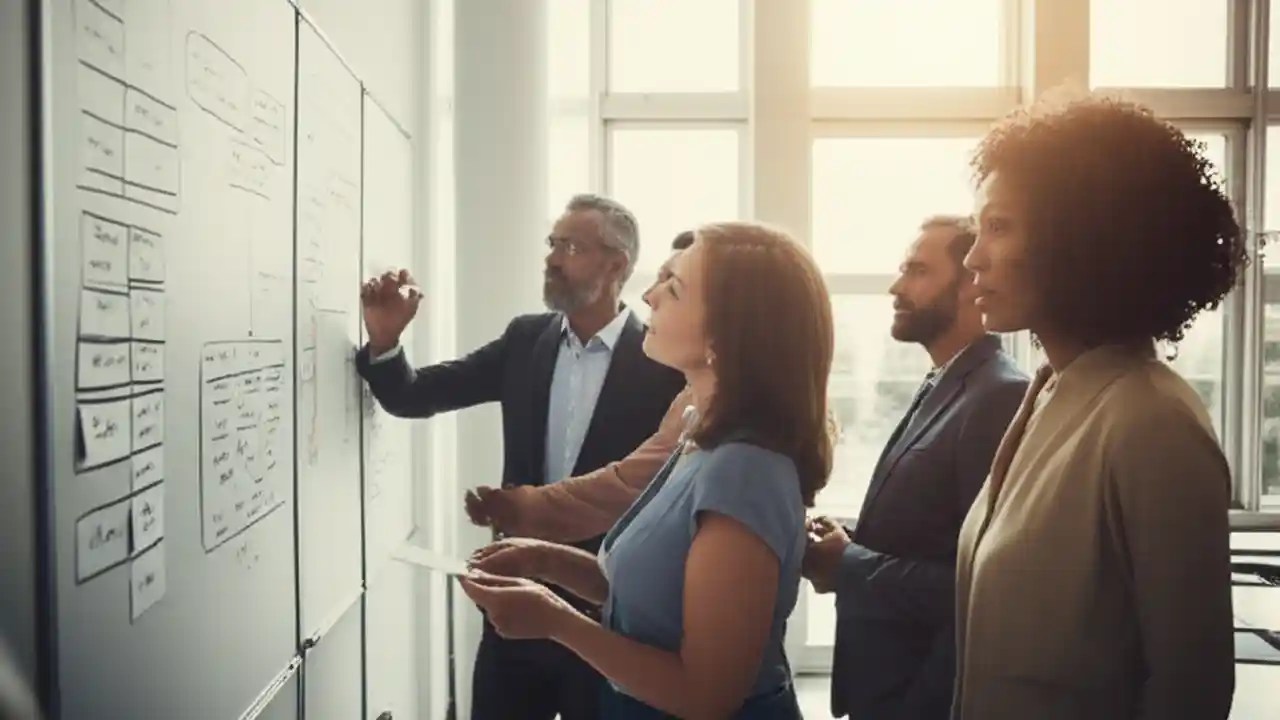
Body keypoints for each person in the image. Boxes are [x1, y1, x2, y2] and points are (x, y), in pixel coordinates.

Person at [459, 222, 835, 718]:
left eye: (673, 288)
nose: (649, 296)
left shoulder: (745, 471)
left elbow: (706, 696)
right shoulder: (696, 431)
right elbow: (655, 600)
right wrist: (545, 562)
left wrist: (556, 622)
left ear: (726, 334)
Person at [954, 93, 1243, 719]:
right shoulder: (1048, 391)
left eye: (998, 226)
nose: (973, 257)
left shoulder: (1151, 419)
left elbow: (1191, 688)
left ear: (1081, 235)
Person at [357, 194, 685, 720]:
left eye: (572, 246)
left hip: (610, 612)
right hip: (513, 602)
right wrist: (385, 340)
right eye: (552, 243)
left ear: (616, 265)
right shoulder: (525, 340)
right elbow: (416, 396)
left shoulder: (662, 364)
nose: (553, 258)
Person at [802, 216, 1028, 719]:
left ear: (973, 281)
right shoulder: (947, 382)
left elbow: (982, 586)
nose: (896, 287)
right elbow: (933, 534)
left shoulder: (999, 396)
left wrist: (848, 565)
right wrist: (850, 538)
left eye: (917, 271)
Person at [464, 231, 697, 543]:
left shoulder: (738, 435)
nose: (649, 296)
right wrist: (528, 524)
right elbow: (624, 484)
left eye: (674, 286)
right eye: (553, 244)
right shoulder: (688, 406)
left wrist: (528, 511)